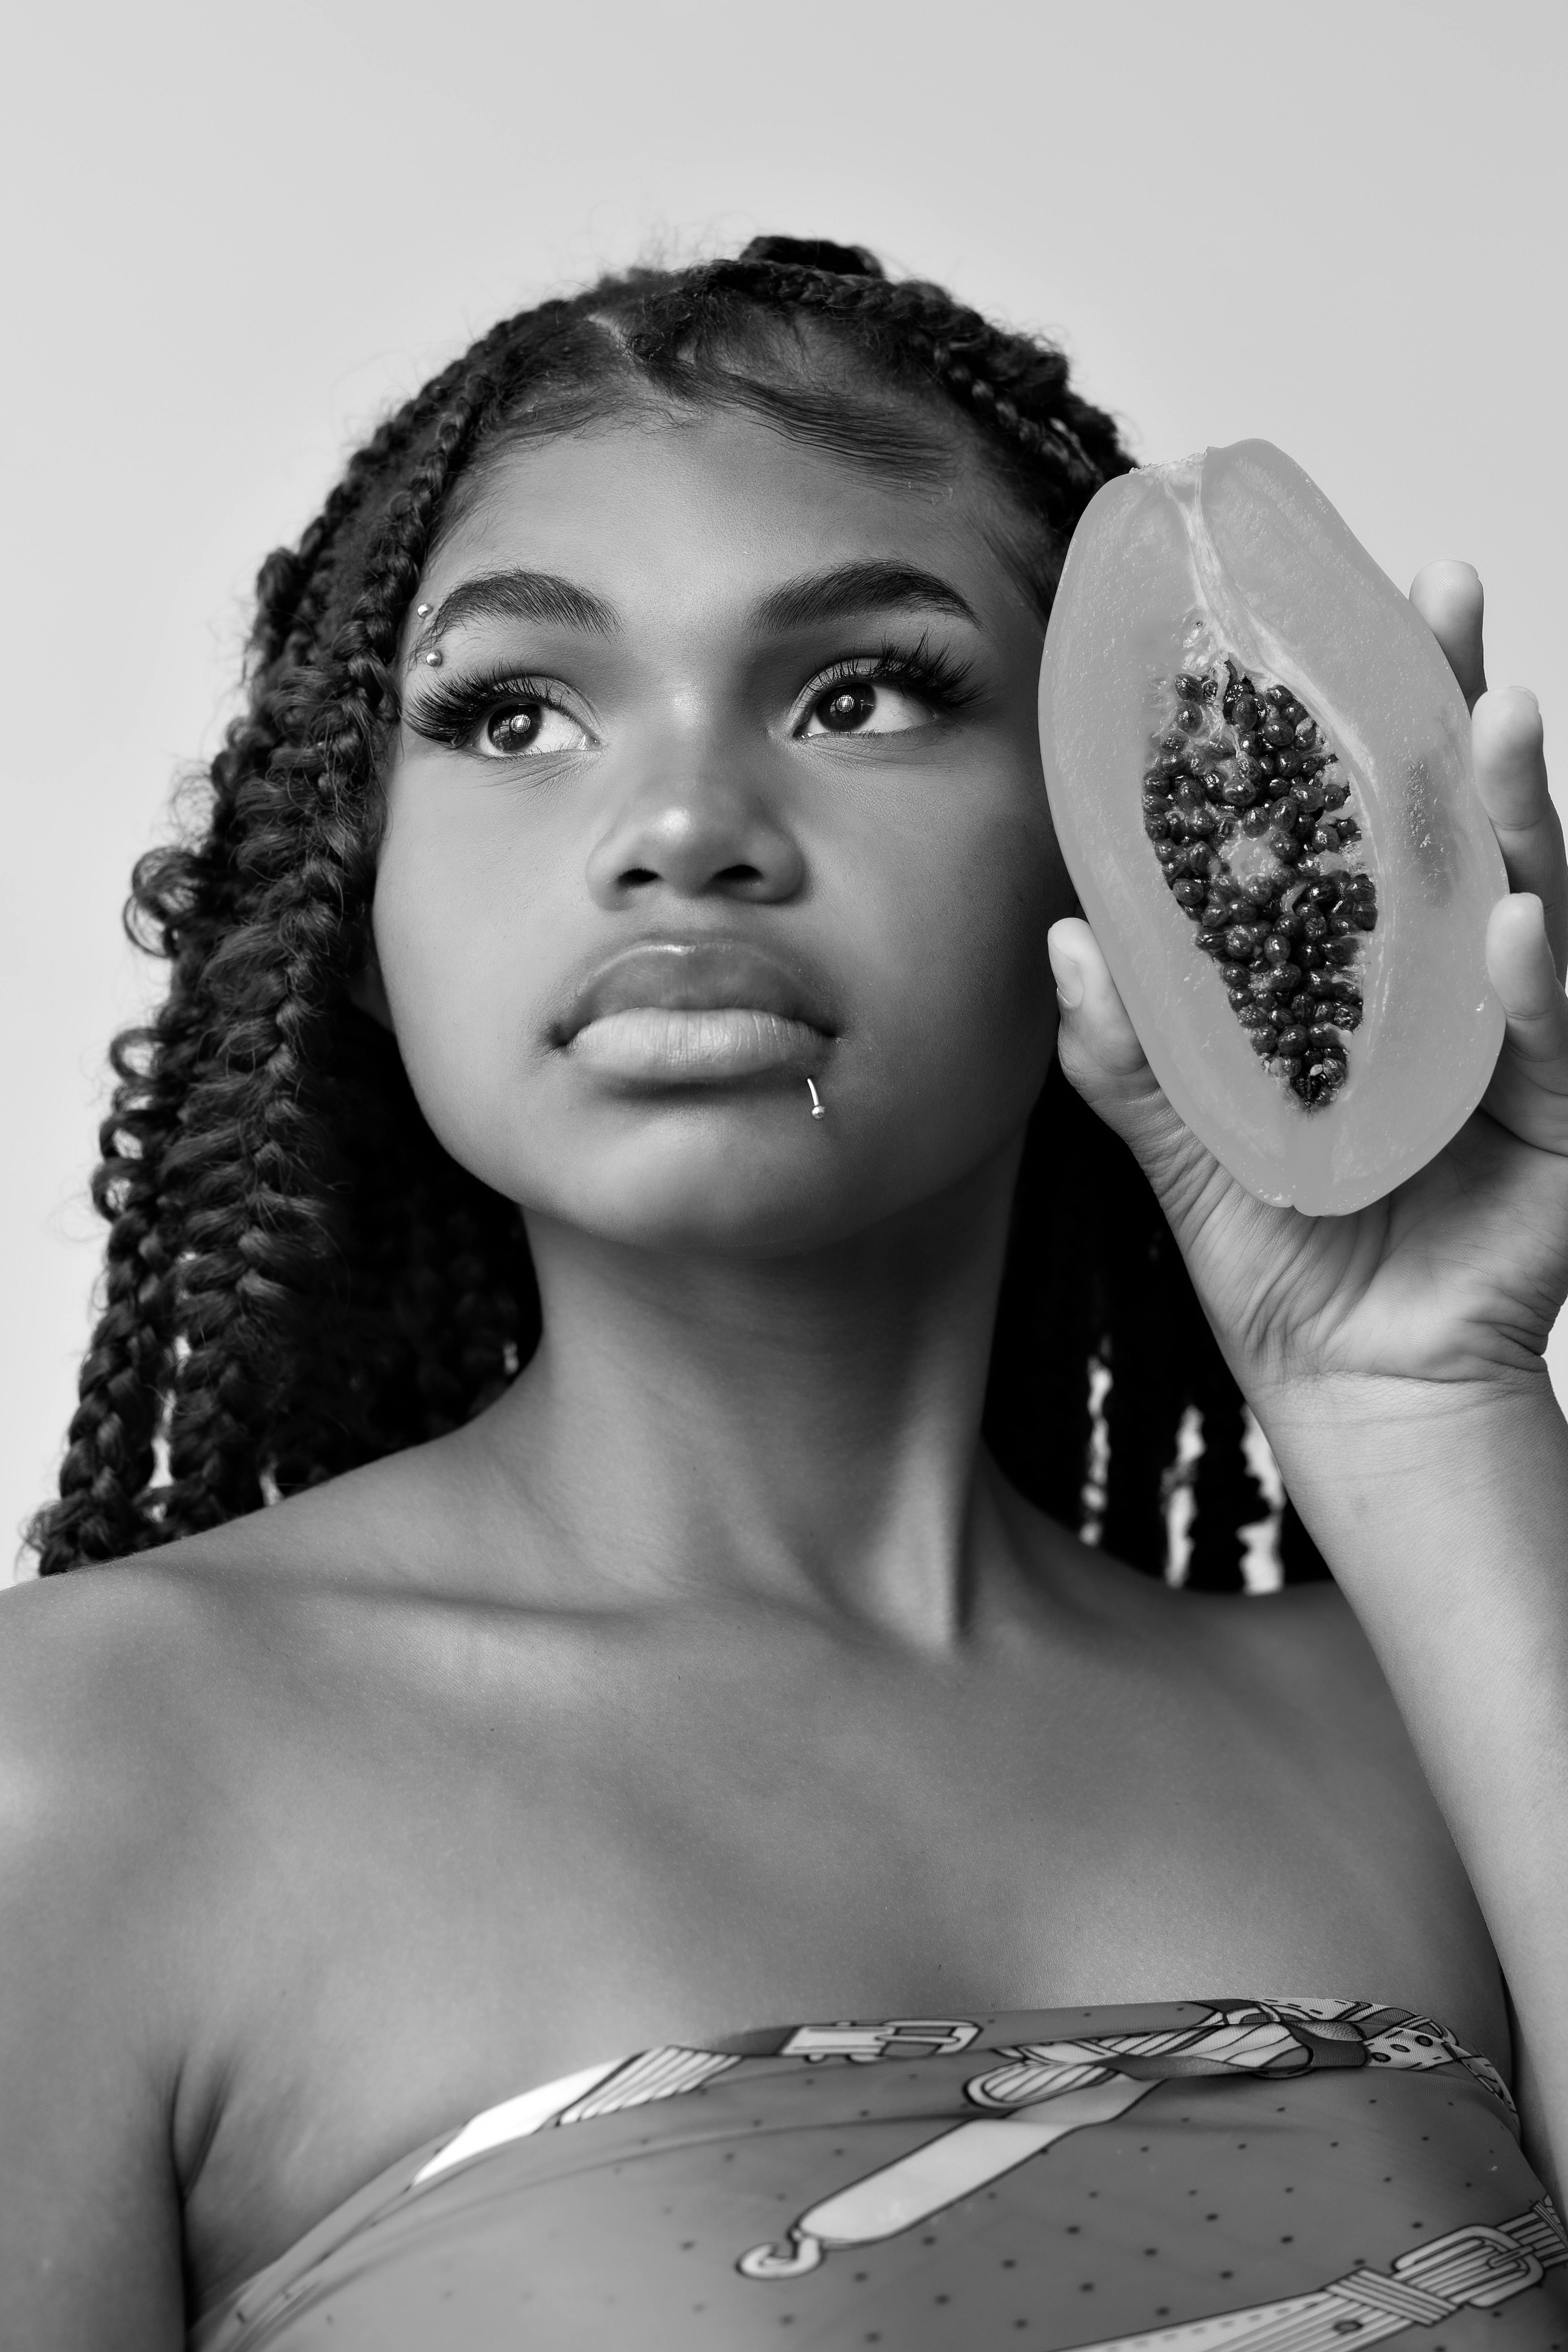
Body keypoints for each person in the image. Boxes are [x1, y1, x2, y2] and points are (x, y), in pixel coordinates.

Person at [3, 236, 1565, 2351]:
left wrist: (1424, 1395)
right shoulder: (82, 1775)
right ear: (352, 902)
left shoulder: (1431, 1727)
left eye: (866, 693)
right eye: (514, 712)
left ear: (1134, 852)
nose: (677, 826)